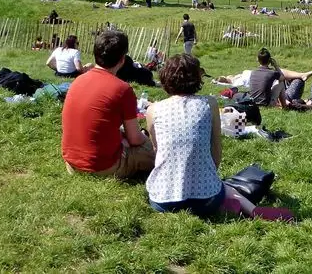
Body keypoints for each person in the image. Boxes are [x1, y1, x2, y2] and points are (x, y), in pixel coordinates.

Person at [144, 54, 260, 218]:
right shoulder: (209, 103)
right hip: (206, 200)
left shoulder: (153, 110)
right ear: (197, 77)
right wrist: (206, 176)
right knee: (227, 188)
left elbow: (157, 150)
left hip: (162, 200)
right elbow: (216, 147)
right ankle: (253, 211)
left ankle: (235, 208)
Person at [61, 30, 153, 179]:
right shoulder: (122, 89)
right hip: (102, 167)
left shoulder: (78, 81)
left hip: (72, 164)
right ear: (123, 59)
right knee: (151, 148)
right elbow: (135, 139)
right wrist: (145, 139)